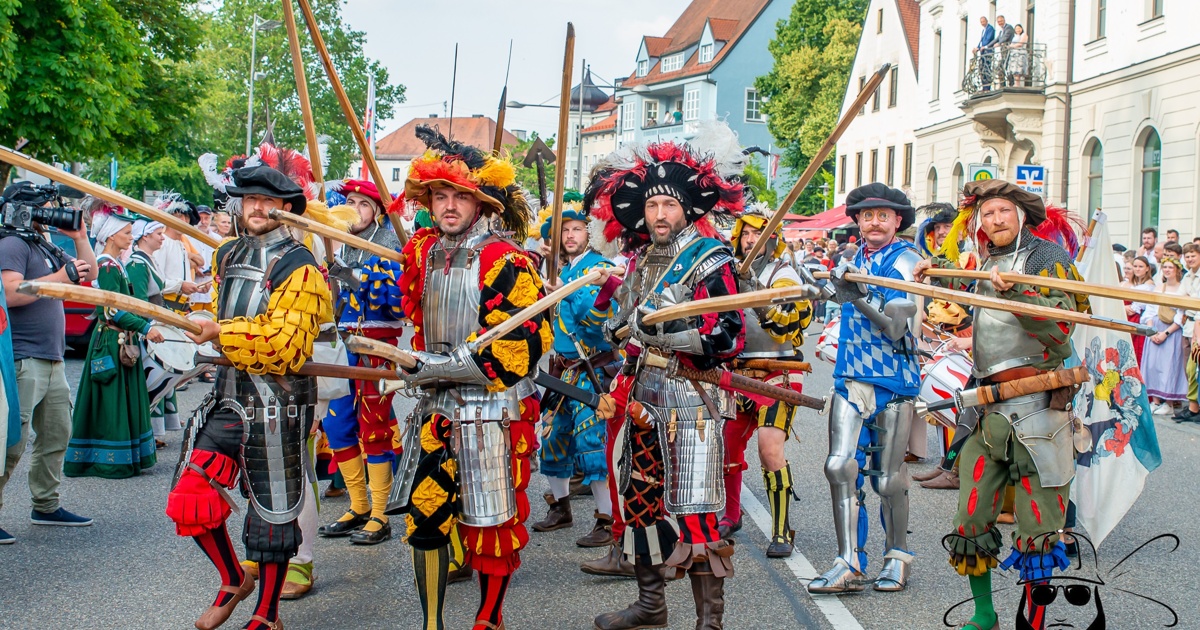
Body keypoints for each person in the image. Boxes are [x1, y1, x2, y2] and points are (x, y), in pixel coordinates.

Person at [392, 125, 550, 630]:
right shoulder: (420, 251)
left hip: (493, 410)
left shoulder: (506, 259)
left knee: (491, 524)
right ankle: (432, 624)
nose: (450, 206)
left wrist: (435, 367)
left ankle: (488, 618)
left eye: (461, 196)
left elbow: (521, 348)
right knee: (425, 519)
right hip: (434, 408)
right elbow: (420, 321)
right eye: (441, 195)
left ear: (480, 204)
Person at [914, 179, 1089, 630]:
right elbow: (956, 302)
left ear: (1022, 216)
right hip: (987, 410)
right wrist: (933, 275)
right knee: (970, 519)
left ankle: (1034, 621)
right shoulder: (980, 262)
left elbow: (1062, 331)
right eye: (987, 214)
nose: (995, 220)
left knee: (1038, 531)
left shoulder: (1048, 261)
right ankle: (985, 613)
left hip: (1039, 412)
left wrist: (1017, 293)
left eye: (1003, 212)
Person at [587, 139, 745, 630]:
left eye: (668, 204)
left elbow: (728, 335)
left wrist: (667, 331)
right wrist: (616, 327)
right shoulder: (638, 260)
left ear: (686, 209)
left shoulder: (710, 258)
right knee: (640, 501)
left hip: (689, 396)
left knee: (696, 508)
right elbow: (620, 328)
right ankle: (650, 606)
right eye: (652, 204)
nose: (659, 212)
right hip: (641, 394)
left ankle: (709, 621)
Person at [166, 165, 331, 630]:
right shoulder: (226, 254)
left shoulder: (299, 265)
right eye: (249, 198)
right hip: (231, 393)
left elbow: (287, 344)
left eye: (267, 200)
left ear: (285, 207)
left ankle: (267, 614)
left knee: (272, 514)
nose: (257, 207)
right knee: (191, 493)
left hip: (279, 400)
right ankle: (233, 577)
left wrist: (221, 331)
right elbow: (221, 313)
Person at [808, 183, 921, 594]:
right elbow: (835, 297)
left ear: (896, 221)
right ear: (856, 221)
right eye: (867, 215)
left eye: (883, 216)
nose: (875, 222)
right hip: (850, 374)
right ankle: (849, 561)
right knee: (840, 466)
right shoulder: (854, 259)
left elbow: (896, 329)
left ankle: (897, 556)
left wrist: (852, 296)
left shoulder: (907, 262)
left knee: (887, 479)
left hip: (893, 379)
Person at [0, 182, 98, 539]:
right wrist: (60, 277)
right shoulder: (12, 244)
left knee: (57, 433)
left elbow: (90, 273)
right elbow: (9, 292)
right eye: (44, 206)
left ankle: (46, 504)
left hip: (52, 358)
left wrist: (80, 237)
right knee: (12, 441)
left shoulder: (43, 244)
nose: (50, 211)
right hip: (25, 358)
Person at [720, 202, 813, 558]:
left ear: (772, 238)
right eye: (747, 232)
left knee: (770, 448)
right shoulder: (728, 272)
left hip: (779, 372)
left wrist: (753, 287)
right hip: (738, 372)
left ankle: (781, 531)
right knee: (727, 447)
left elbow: (784, 320)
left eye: (759, 233)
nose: (751, 239)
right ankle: (730, 515)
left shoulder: (784, 272)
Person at [318, 178, 404, 547]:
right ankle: (357, 505)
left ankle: (381, 513)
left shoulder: (391, 247)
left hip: (376, 348)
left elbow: (398, 301)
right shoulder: (337, 243)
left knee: (375, 428)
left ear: (378, 212)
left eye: (363, 204)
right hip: (341, 346)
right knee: (337, 427)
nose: (354, 208)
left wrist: (354, 276)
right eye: (349, 201)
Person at [531, 192, 619, 548]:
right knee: (552, 438)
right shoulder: (560, 270)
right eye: (563, 230)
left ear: (588, 232)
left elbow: (595, 319)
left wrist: (563, 292)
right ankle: (561, 507)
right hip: (560, 369)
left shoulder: (599, 268)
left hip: (592, 368)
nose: (570, 235)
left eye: (576, 228)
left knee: (591, 445)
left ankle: (606, 518)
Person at [63, 204, 161, 478]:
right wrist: (145, 326)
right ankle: (106, 460)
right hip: (109, 340)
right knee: (109, 401)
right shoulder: (106, 265)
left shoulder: (116, 263)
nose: (131, 236)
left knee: (120, 398)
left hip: (120, 339)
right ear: (110, 236)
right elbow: (111, 309)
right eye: (127, 232)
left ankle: (125, 457)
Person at [125, 220, 179, 448]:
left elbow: (159, 288)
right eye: (158, 233)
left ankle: (154, 433)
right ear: (144, 237)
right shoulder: (137, 263)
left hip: (156, 322)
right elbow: (139, 302)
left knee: (159, 379)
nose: (162, 237)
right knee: (152, 379)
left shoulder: (147, 260)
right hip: (147, 327)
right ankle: (148, 432)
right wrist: (149, 327)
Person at [1142, 256, 1189, 414]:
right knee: (1153, 365)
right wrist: (1151, 330)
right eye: (1165, 267)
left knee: (1169, 366)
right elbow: (1150, 308)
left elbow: (1181, 314)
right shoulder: (1159, 287)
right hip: (1156, 326)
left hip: (1171, 329)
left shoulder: (1182, 289)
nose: (1167, 270)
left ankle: (1169, 403)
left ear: (1177, 270)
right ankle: (1155, 400)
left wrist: (1166, 333)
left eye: (1170, 267)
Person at [1178, 243, 1200, 423]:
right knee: (1189, 368)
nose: (1190, 259)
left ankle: (1195, 407)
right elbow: (1178, 299)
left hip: (1197, 325)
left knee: (1195, 367)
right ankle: (1193, 406)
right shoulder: (1187, 276)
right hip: (1188, 323)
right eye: (1187, 256)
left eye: (1193, 255)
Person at [1125, 256, 1157, 364]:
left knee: (1136, 349)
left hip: (1138, 318)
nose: (1137, 269)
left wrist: (1126, 307)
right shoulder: (1135, 283)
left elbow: (1135, 308)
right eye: (1135, 266)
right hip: (1130, 318)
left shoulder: (1149, 285)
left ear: (1147, 268)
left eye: (1141, 266)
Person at [974, 16, 997, 89]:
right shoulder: (984, 30)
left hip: (988, 51)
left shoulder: (990, 28)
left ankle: (987, 87)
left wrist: (981, 47)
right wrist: (977, 47)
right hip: (983, 52)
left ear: (986, 21)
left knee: (986, 68)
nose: (982, 23)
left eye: (983, 21)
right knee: (982, 68)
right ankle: (984, 86)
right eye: (981, 22)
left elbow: (988, 39)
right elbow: (981, 41)